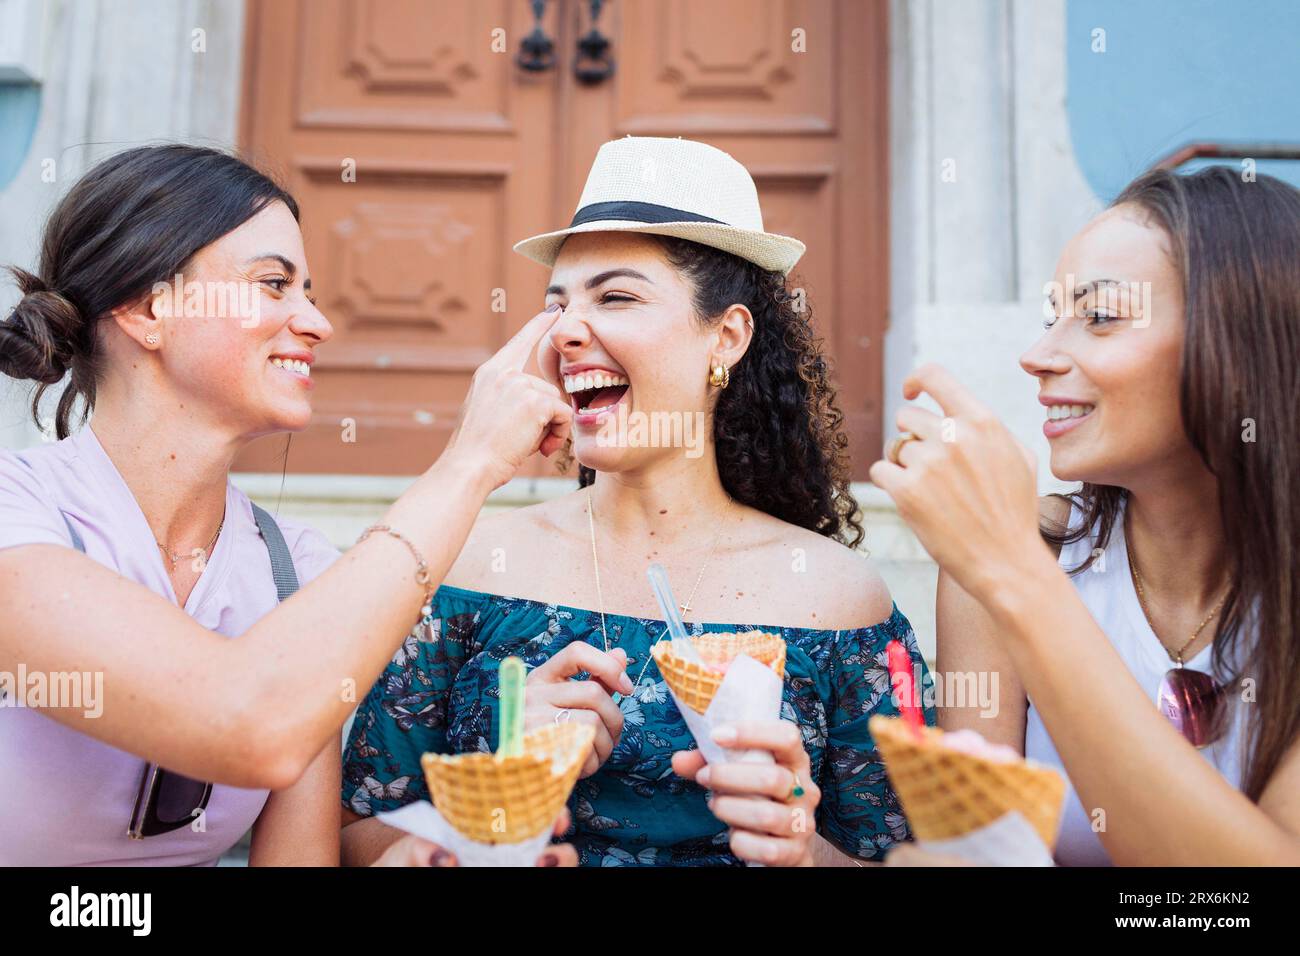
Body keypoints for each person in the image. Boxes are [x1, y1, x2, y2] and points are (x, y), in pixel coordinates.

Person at [340, 136, 931, 867]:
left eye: (615, 296)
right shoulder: (469, 567)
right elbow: (357, 838)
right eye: (557, 305)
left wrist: (804, 851)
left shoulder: (843, 602)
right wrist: (498, 801)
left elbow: (917, 856)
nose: (565, 332)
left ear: (728, 335)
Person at [0, 144, 576, 865]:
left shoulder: (292, 568)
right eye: (274, 284)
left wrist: (438, 847)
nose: (316, 322)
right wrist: (470, 462)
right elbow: (249, 723)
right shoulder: (18, 516)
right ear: (150, 309)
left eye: (308, 290)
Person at [874, 167, 1300, 865]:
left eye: (1098, 317)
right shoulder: (1019, 558)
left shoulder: (1012, 563)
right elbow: (979, 852)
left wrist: (1012, 570)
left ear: (1239, 343)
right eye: (1053, 318)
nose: (1037, 357)